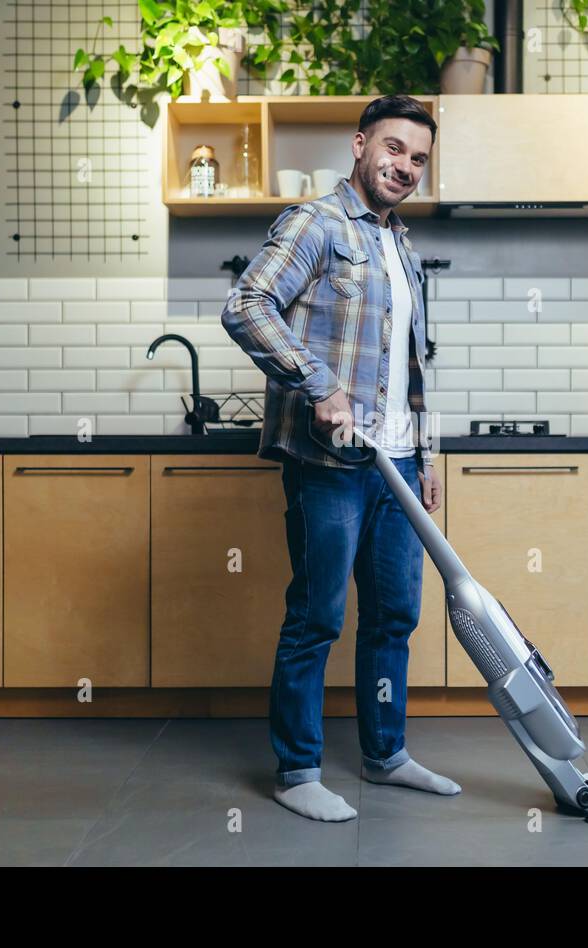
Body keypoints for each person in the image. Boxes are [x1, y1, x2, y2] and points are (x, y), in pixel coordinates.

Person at [220, 94, 459, 822]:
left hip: (397, 466)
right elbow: (247, 303)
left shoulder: (402, 247)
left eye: (418, 158)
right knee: (319, 614)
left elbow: (413, 364)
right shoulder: (316, 223)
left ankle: (385, 754)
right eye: (393, 149)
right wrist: (318, 383)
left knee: (394, 616)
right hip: (329, 463)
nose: (405, 167)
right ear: (359, 145)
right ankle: (297, 770)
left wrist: (429, 451)